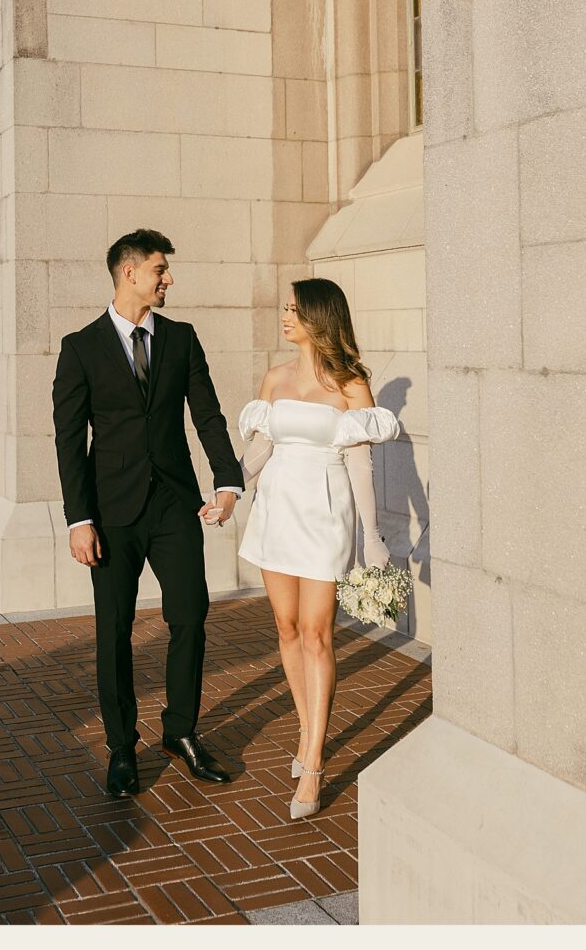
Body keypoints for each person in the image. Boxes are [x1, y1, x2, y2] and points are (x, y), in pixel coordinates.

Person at [51, 229, 243, 799]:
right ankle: (120, 746)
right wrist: (78, 518)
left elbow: (207, 415)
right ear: (129, 273)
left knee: (190, 615)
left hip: (173, 505)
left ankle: (180, 732)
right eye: (160, 270)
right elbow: (68, 440)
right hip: (110, 514)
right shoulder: (80, 347)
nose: (168, 279)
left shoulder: (182, 339)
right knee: (114, 630)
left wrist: (227, 480)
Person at [236, 277, 400, 820]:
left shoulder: (350, 385)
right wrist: (227, 494)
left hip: (326, 513)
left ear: (319, 317)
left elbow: (360, 464)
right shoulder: (274, 377)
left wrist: (371, 536)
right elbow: (261, 449)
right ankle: (308, 728)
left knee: (317, 633)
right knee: (285, 628)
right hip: (276, 510)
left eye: (294, 310)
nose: (285, 317)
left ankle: (312, 761)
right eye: (285, 308)